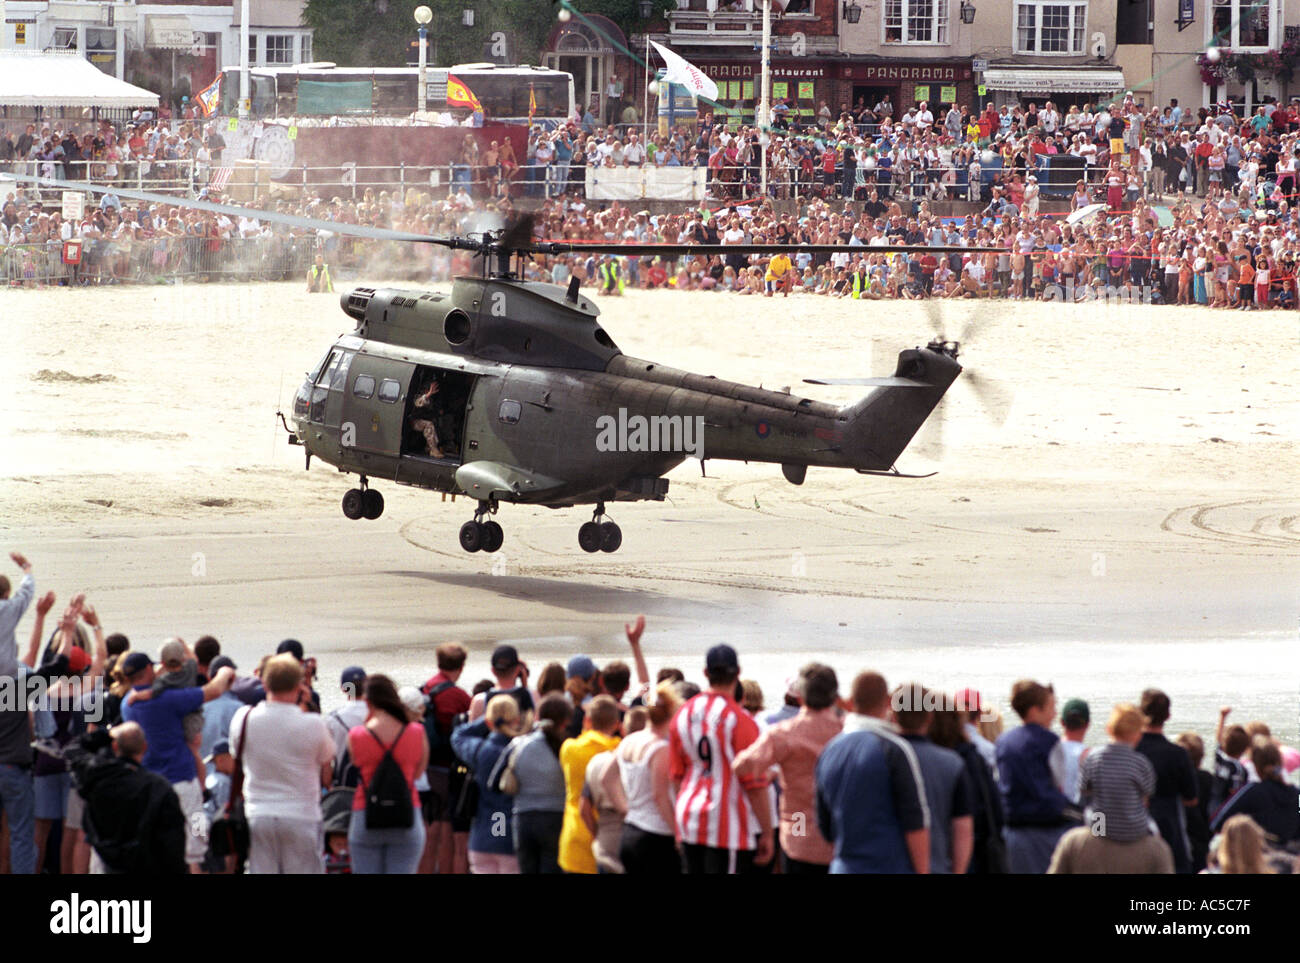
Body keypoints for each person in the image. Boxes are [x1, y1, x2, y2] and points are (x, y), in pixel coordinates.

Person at [119, 648, 236, 871]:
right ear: (148, 669)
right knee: (196, 843)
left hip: (150, 786)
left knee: (159, 845)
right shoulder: (167, 699)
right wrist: (224, 671)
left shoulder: (128, 703)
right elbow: (213, 690)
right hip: (182, 781)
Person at [669, 645, 773, 873]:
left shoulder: (682, 714)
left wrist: (679, 825)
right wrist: (767, 831)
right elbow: (754, 782)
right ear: (738, 673)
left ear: (705, 673)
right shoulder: (740, 720)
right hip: (727, 826)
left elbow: (676, 776)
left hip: (689, 817)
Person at [229, 654, 335, 874]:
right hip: (301, 814)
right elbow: (327, 757)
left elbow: (235, 754)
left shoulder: (244, 718)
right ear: (299, 685)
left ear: (264, 683)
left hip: (260, 813)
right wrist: (305, 705)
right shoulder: (313, 724)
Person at [816, 671, 930, 874]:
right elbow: (915, 823)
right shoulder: (895, 750)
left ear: (850, 702)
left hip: (844, 867)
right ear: (888, 701)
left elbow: (825, 827)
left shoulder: (828, 752)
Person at [733, 662, 842, 873]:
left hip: (799, 826)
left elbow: (741, 766)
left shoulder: (783, 734)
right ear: (834, 695)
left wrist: (772, 772)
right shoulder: (846, 728)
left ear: (801, 696)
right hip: (838, 831)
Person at [68, 722, 187, 874]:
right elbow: (173, 845)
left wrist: (106, 733)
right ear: (145, 747)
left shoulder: (96, 778)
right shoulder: (157, 788)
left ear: (115, 747)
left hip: (107, 862)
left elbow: (74, 750)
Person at [347, 674, 429, 874]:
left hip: (366, 813)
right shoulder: (416, 732)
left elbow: (355, 763)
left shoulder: (357, 735)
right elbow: (418, 774)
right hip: (406, 813)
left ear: (368, 701)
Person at [995, 679, 1078, 874]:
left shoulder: (1003, 741)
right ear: (1034, 710)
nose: (1055, 713)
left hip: (1011, 829)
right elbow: (1060, 784)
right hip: (1046, 828)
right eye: (1051, 707)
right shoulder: (1049, 741)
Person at [893, 686, 973, 874]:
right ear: (929, 717)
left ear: (894, 716)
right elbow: (963, 829)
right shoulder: (952, 763)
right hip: (937, 864)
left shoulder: (880, 757)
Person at [610, 681, 682, 874]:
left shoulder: (629, 741)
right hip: (656, 836)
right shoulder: (660, 748)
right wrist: (678, 833)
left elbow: (606, 778)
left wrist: (625, 807)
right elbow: (660, 796)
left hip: (630, 829)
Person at [450, 694, 521, 873]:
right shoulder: (524, 750)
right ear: (516, 719)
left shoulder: (481, 750)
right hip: (509, 837)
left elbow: (459, 734)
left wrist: (488, 720)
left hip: (482, 838)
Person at [419, 643, 471, 874]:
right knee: (448, 837)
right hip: (450, 773)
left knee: (428, 837)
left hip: (424, 771)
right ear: (461, 667)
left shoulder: (423, 691)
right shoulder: (459, 697)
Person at [1134, 688, 1198, 874]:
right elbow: (1191, 798)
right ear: (1168, 716)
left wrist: (1100, 834)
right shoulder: (1178, 754)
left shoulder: (1130, 751)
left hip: (1132, 826)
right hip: (1169, 826)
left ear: (1141, 712)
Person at [505, 693, 571, 873]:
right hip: (555, 818)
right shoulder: (567, 747)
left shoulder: (518, 744)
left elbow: (495, 782)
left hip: (523, 818)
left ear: (537, 716)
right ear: (565, 721)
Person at [557, 694, 622, 874]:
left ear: (587, 720)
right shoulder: (619, 750)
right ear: (617, 724)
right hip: (608, 837)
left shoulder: (570, 748)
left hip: (574, 836)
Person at [1209, 737, 1300, 847]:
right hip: (1290, 858)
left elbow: (1217, 823)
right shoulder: (1295, 793)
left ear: (1255, 766)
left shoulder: (1252, 791)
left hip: (1259, 856)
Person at [325, 666, 369, 785]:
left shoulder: (333, 718)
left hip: (344, 782)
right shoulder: (379, 714)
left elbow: (327, 761)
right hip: (374, 783)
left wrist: (329, 787)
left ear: (343, 689)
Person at [1060, 697, 1090, 804]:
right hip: (1080, 817)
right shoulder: (1092, 757)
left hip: (1053, 817)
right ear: (1088, 724)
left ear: (1062, 722)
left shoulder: (1048, 752)